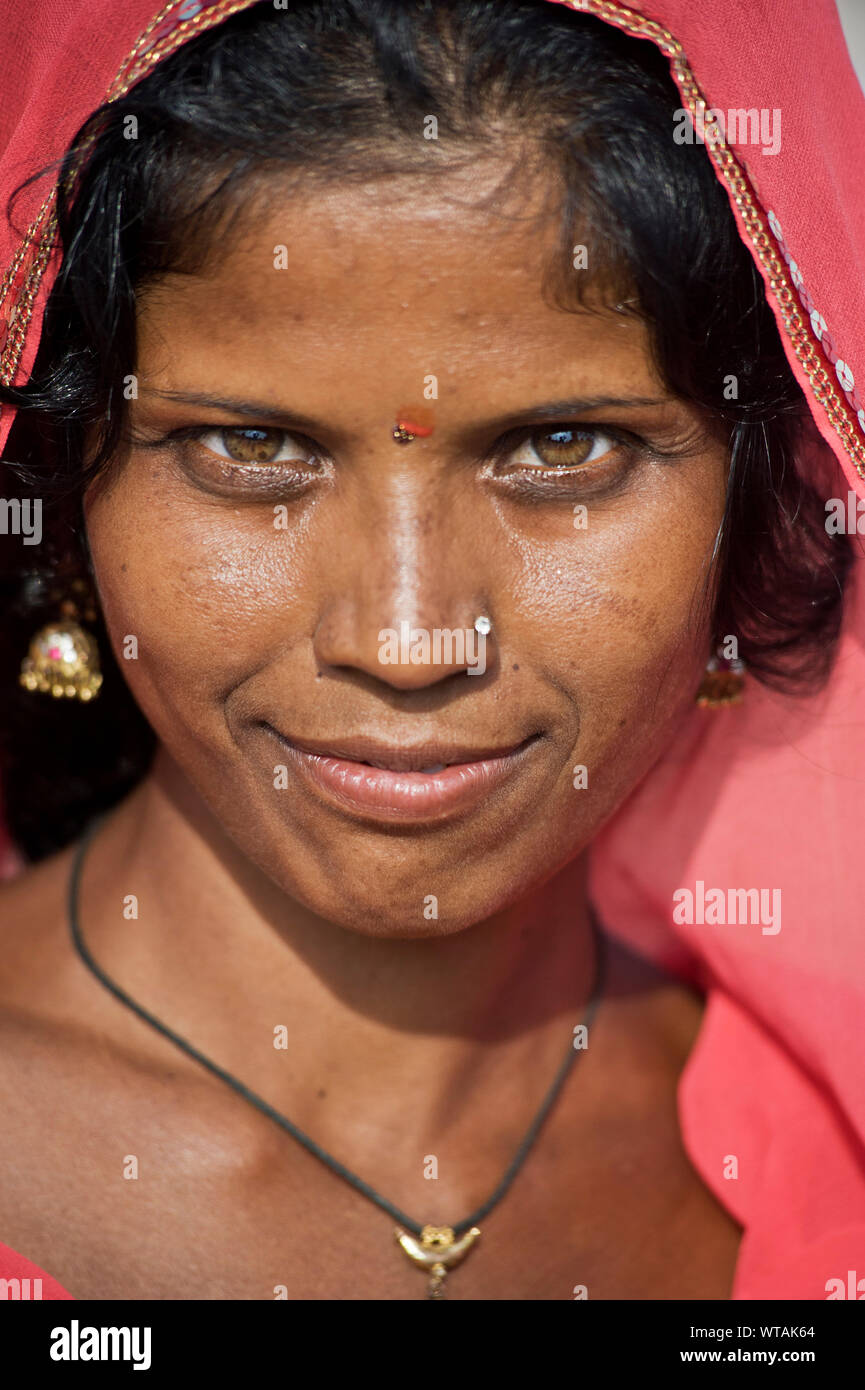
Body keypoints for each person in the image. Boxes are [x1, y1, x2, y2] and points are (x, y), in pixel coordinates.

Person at [0, 0, 863, 1301]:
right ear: (70, 480)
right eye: (252, 446)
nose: (408, 640)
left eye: (563, 447)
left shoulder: (827, 1157)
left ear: (760, 508)